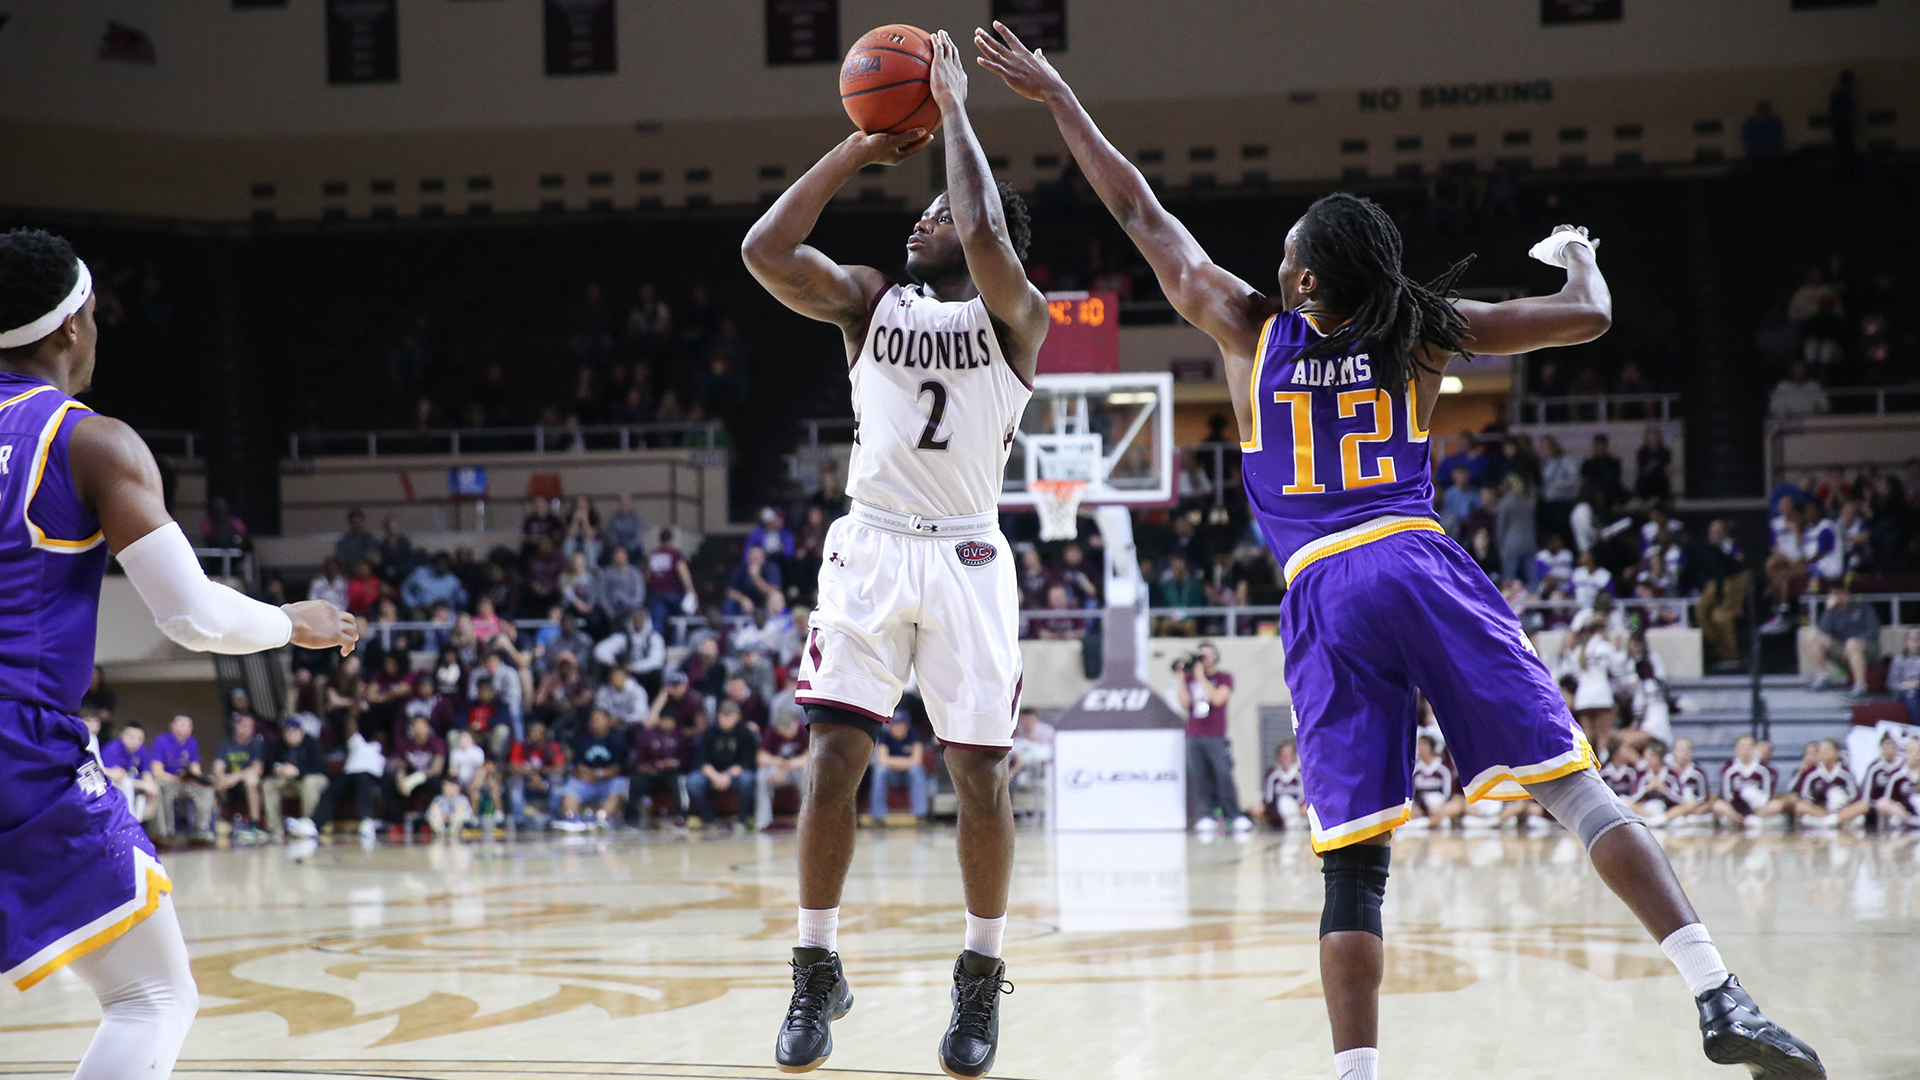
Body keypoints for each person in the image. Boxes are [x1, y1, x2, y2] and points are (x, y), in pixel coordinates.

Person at [973, 32, 1824, 1079]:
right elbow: (1588, 317)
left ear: (1301, 275)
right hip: (1417, 563)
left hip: (1322, 593)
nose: (1276, 265)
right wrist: (1580, 255)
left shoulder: (1247, 327)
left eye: (1285, 254)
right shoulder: (1421, 331)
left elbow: (1141, 211)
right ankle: (1716, 992)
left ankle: (1356, 1075)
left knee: (1353, 867)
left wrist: (1058, 94)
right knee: (1578, 793)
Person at [744, 30, 1047, 1076]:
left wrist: (955, 110)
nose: (925, 218)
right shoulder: (872, 302)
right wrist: (854, 146)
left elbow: (987, 233)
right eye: (919, 210)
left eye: (941, 214)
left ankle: (978, 977)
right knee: (833, 760)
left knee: (979, 779)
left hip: (965, 558)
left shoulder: (1017, 320)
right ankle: (815, 965)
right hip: (869, 548)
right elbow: (764, 254)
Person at [1178, 643, 1249, 834]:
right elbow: (1184, 703)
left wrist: (1201, 677)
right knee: (1199, 776)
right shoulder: (1189, 679)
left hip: (1216, 734)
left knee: (1223, 773)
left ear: (1215, 657)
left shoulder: (1223, 677)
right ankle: (1206, 815)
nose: (1204, 659)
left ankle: (1234, 814)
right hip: (1194, 733)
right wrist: (1181, 677)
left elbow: (1218, 699)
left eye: (1207, 655)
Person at [687, 699, 759, 829]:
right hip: (712, 775)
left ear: (737, 716)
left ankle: (744, 818)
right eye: (722, 715)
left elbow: (747, 762)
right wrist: (715, 776)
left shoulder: (745, 733)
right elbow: (701, 759)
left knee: (748, 779)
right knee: (693, 781)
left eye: (729, 715)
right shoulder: (710, 732)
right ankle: (709, 819)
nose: (725, 719)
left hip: (735, 776)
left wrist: (726, 776)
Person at [313, 716, 387, 841]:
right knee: (334, 788)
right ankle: (315, 824)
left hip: (370, 777)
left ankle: (366, 821)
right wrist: (356, 705)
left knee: (365, 781)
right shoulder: (358, 743)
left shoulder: (384, 750)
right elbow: (350, 721)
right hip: (350, 776)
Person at [554, 708, 630, 831]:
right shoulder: (581, 738)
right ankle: (572, 819)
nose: (595, 722)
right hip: (586, 780)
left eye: (599, 719)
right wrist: (590, 775)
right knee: (571, 788)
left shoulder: (617, 739)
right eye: (593, 719)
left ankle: (602, 819)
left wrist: (599, 774)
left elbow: (618, 768)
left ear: (608, 721)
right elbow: (578, 766)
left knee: (619, 785)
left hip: (608, 781)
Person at [1799, 583, 1880, 696]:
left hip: (1867, 647)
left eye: (1843, 593)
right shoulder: (1832, 612)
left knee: (1852, 643)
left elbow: (1873, 630)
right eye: (1836, 594)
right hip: (1842, 649)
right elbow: (1823, 630)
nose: (1841, 596)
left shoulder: (1863, 608)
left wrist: (1856, 641)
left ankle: (1860, 685)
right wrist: (1828, 609)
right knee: (1814, 637)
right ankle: (1822, 676)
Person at [146, 714, 215, 843]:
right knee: (163, 789)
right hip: (168, 781)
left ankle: (201, 829)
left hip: (184, 782)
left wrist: (199, 779)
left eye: (188, 725)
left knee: (206, 790)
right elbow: (157, 771)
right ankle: (165, 832)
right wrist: (175, 779)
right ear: (172, 725)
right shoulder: (161, 741)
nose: (185, 728)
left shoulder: (192, 742)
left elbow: (195, 768)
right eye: (181, 724)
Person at [263, 719, 327, 839]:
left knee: (310, 782)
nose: (290, 735)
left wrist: (298, 771)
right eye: (287, 733)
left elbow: (321, 768)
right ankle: (274, 827)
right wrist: (277, 770)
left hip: (313, 779)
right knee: (268, 784)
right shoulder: (279, 745)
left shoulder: (312, 743)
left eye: (294, 732)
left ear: (301, 732)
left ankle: (308, 824)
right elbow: (270, 765)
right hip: (289, 782)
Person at [756, 697, 811, 830]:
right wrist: (777, 762)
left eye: (789, 729)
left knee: (807, 774)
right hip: (776, 768)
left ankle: (806, 819)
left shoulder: (803, 731)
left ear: (794, 724)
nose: (786, 733)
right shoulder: (771, 732)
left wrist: (788, 765)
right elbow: (761, 757)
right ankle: (763, 821)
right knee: (762, 776)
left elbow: (809, 756)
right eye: (783, 730)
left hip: (796, 768)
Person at [868, 711, 930, 825]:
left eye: (900, 724)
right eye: (895, 725)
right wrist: (905, 762)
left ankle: (920, 815)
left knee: (917, 770)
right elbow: (882, 759)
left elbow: (917, 760)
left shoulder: (914, 734)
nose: (897, 728)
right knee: (880, 771)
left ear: (906, 725)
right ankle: (878, 817)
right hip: (891, 774)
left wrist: (894, 762)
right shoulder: (884, 736)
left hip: (907, 775)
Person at [629, 708, 689, 826]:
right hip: (650, 772)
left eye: (670, 720)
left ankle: (681, 815)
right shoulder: (646, 736)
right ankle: (631, 818)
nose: (667, 723)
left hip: (672, 773)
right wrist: (659, 765)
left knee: (678, 781)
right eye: (664, 720)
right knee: (636, 779)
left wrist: (675, 764)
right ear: (659, 721)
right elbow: (639, 761)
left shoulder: (681, 736)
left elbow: (687, 758)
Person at [1711, 735, 1787, 828]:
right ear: (1736, 749)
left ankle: (1753, 818)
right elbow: (1725, 795)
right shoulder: (1728, 769)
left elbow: (1767, 795)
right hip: (1735, 807)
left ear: (1754, 749)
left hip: (1757, 809)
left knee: (1776, 804)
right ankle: (1738, 820)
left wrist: (1756, 800)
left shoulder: (1763, 770)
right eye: (1742, 747)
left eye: (1748, 747)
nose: (1745, 750)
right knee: (1718, 805)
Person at [1790, 739, 1867, 828]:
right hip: (1819, 812)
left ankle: (1832, 821)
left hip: (1841, 812)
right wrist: (1820, 809)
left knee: (1863, 806)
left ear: (1837, 753)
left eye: (1827, 749)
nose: (1824, 753)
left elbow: (1854, 798)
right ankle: (1829, 821)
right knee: (1801, 807)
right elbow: (1805, 798)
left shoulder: (1846, 774)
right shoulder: (1811, 773)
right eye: (1821, 750)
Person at [506, 720, 568, 827]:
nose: (534, 735)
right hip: (526, 781)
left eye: (538, 732)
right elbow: (514, 767)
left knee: (557, 782)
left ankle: (552, 820)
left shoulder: (552, 746)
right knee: (515, 783)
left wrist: (540, 773)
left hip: (546, 780)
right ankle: (519, 821)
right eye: (532, 732)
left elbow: (560, 768)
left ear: (544, 735)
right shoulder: (520, 746)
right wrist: (533, 775)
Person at [99, 722, 158, 826]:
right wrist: (143, 785)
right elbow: (117, 778)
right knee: (126, 785)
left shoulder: (141, 750)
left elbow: (146, 772)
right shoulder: (113, 748)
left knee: (155, 791)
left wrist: (150, 785)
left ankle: (144, 827)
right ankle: (127, 825)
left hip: (136, 786)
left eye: (139, 739)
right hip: (115, 787)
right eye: (132, 737)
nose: (135, 741)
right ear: (123, 736)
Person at [1403, 736, 1463, 830]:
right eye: (1419, 745)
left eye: (1424, 745)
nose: (1421, 748)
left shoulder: (1443, 769)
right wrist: (1414, 806)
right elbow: (1410, 791)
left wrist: (1440, 807)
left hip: (1440, 806)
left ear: (1432, 747)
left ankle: (1431, 822)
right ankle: (1429, 822)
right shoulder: (1415, 769)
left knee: (1456, 806)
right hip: (1420, 807)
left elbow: (1449, 792)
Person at [1263, 742, 1306, 829]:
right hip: (1279, 811)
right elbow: (1269, 798)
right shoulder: (1272, 774)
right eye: (1283, 755)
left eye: (1288, 755)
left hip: (1298, 810)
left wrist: (1298, 808)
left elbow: (1304, 796)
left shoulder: (1300, 774)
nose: (1285, 758)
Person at [1890, 627, 1920, 724]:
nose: (1917, 642)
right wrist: (1907, 685)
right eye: (1913, 639)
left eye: (1918, 639)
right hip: (1905, 692)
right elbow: (1892, 683)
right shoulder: (1899, 659)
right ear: (1906, 642)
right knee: (1911, 694)